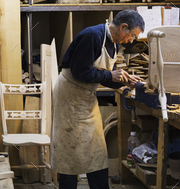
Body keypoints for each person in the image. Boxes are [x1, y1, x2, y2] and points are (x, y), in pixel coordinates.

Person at [50, 10, 145, 189]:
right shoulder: (92, 36)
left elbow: (106, 76)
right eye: (132, 35)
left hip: (86, 98)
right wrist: (110, 76)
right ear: (123, 27)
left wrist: (125, 82)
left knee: (97, 151)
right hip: (70, 97)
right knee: (69, 152)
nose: (131, 40)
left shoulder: (114, 44)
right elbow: (81, 72)